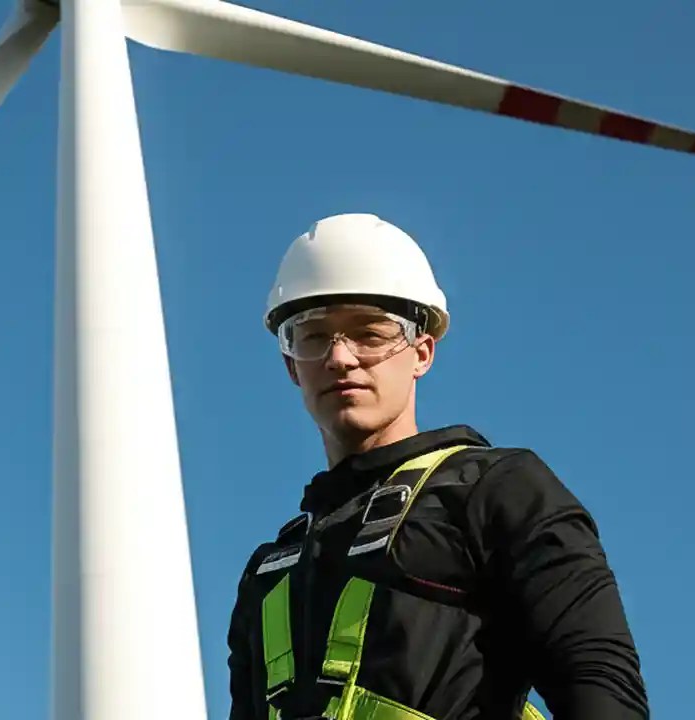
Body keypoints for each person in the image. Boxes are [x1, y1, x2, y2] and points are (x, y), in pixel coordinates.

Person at [227, 213, 648, 720]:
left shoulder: (495, 491)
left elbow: (599, 682)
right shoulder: (272, 571)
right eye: (313, 336)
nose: (341, 358)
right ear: (292, 366)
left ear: (422, 352)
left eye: (370, 333)